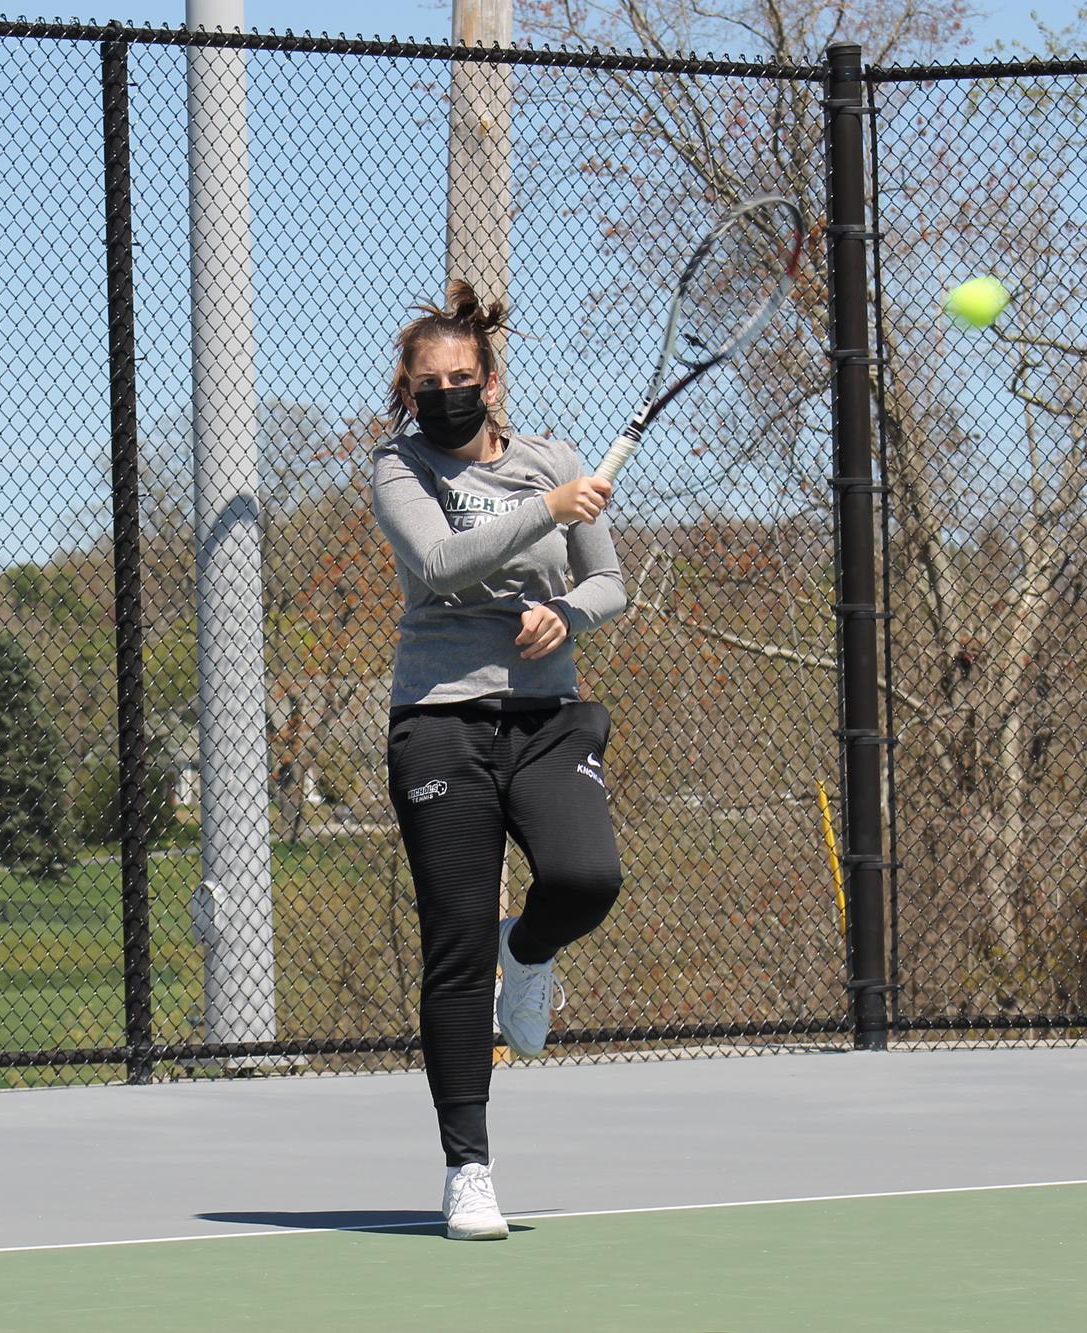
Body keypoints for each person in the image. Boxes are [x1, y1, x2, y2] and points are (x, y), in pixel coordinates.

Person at [371, 281, 628, 1241]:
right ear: (409, 386)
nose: (446, 392)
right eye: (429, 380)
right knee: (453, 942)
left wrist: (565, 611)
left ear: (488, 378)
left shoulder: (550, 458)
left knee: (586, 878)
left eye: (462, 377)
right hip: (439, 718)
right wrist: (545, 510)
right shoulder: (397, 468)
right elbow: (440, 564)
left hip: (547, 712)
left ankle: (529, 951)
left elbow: (609, 582)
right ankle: (467, 1167)